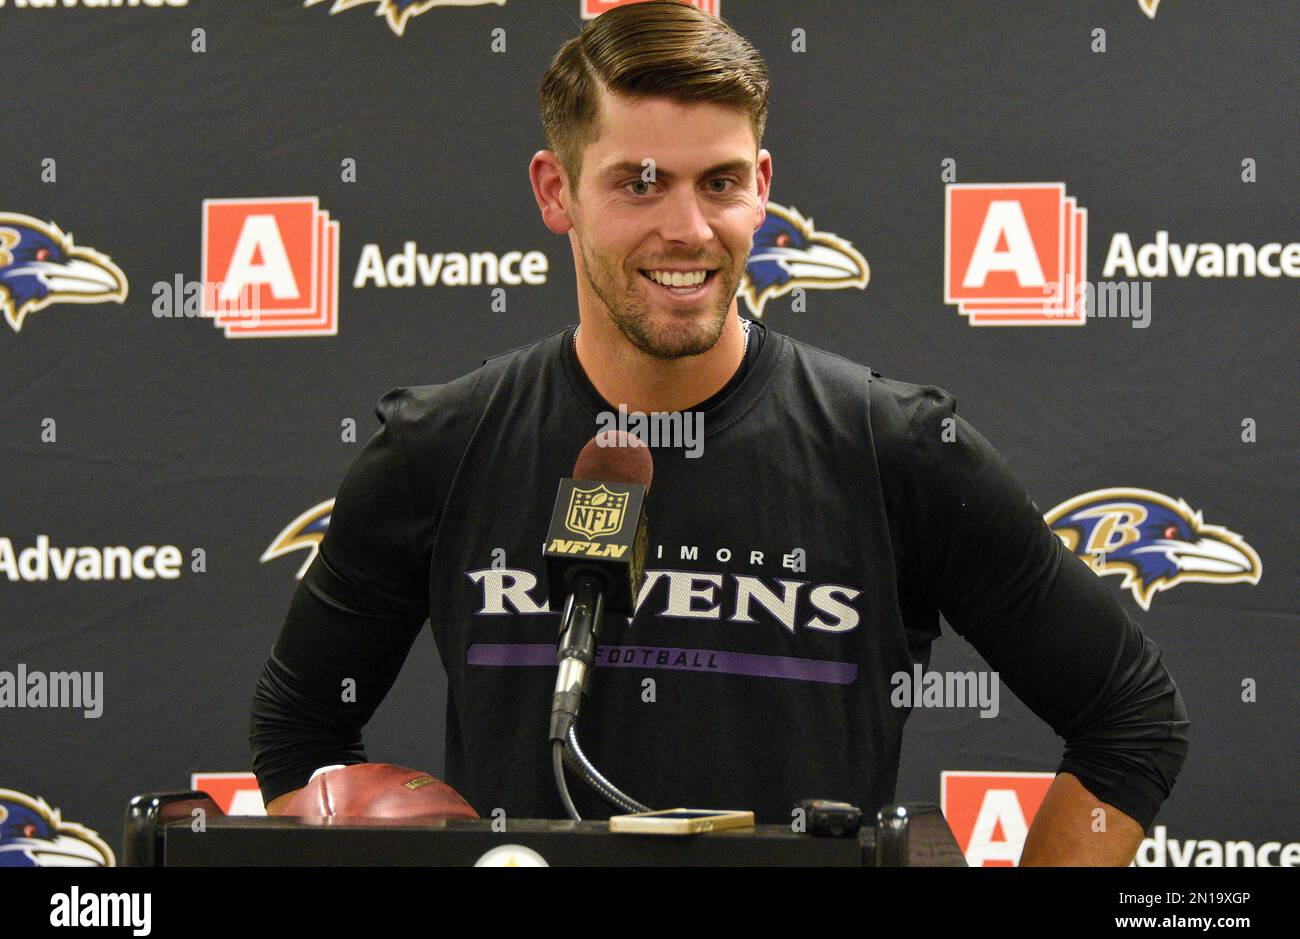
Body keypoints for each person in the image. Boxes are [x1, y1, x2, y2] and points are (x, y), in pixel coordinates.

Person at [250, 1, 1187, 865]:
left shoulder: (897, 448)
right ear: (555, 191)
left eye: (721, 183)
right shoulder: (441, 447)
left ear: (763, 186)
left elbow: (1129, 717)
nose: (688, 229)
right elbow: (299, 727)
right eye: (640, 185)